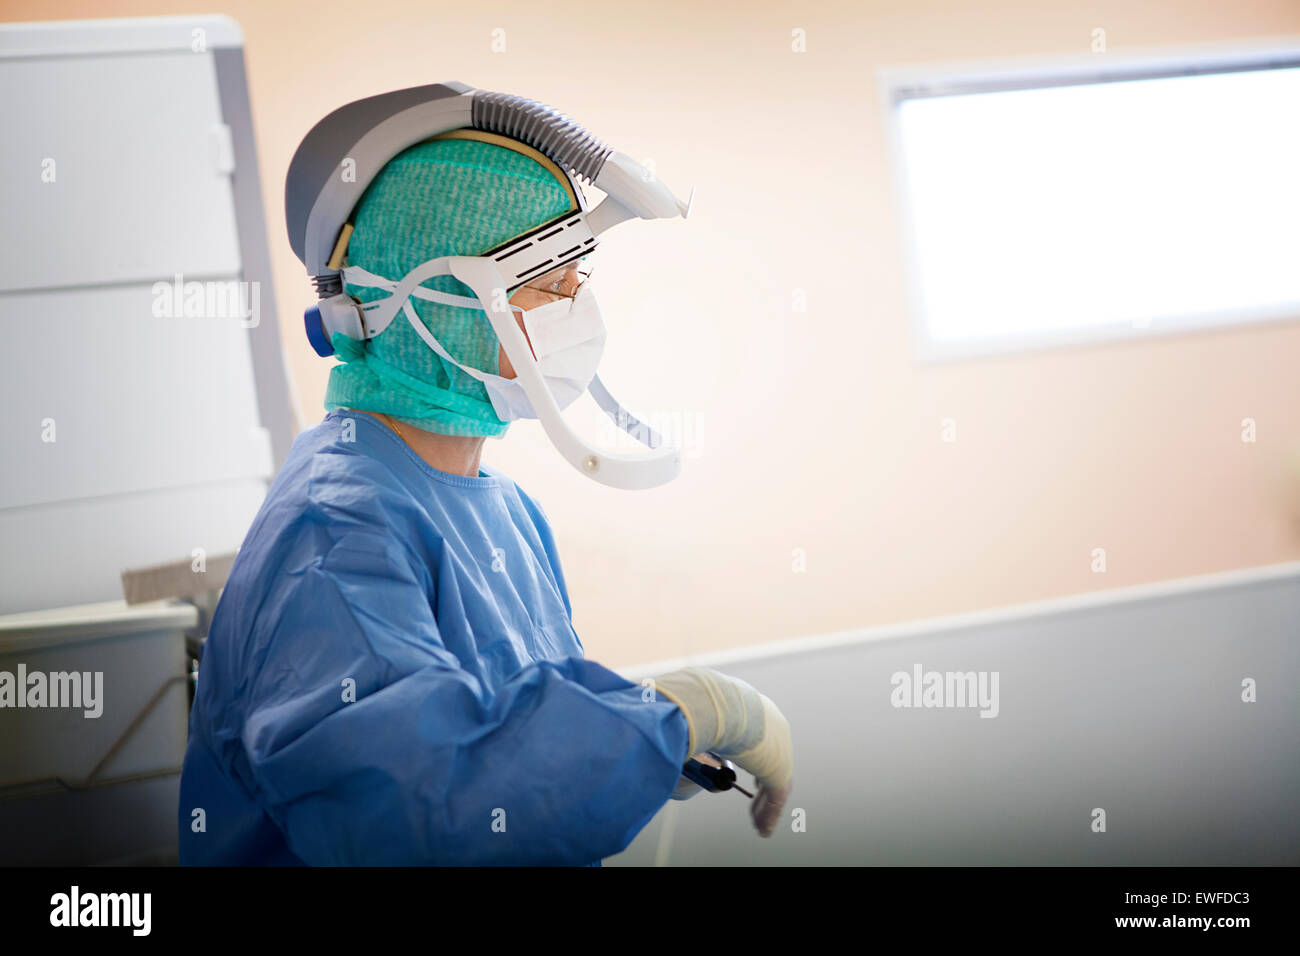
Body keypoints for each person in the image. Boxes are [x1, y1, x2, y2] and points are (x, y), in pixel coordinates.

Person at [178, 130, 792, 866]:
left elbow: (512, 730)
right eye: (548, 277)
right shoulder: (335, 534)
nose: (577, 304)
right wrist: (684, 715)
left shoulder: (502, 509)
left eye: (579, 273)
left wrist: (641, 742)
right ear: (437, 301)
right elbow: (423, 815)